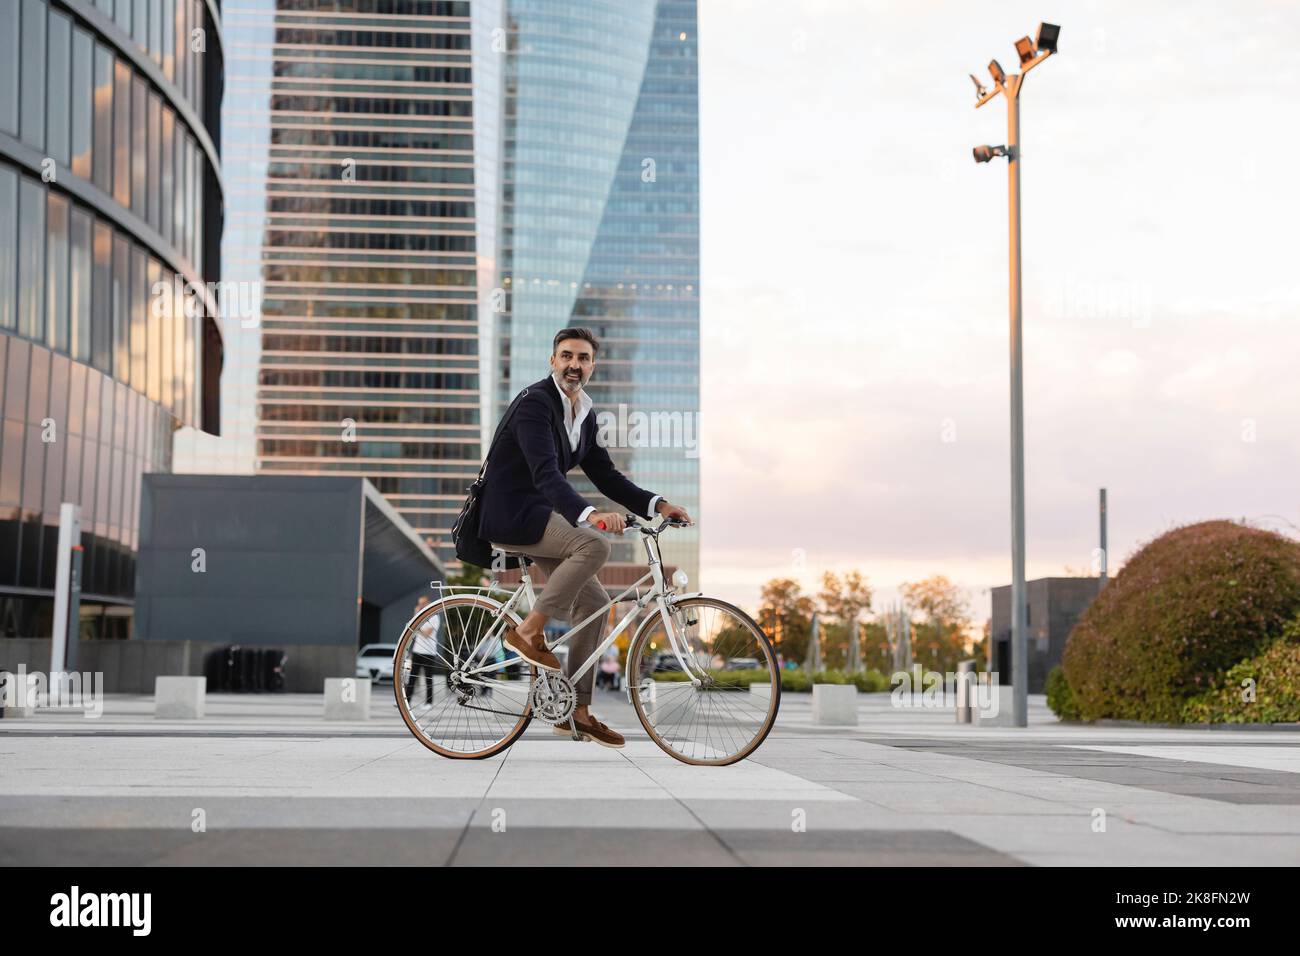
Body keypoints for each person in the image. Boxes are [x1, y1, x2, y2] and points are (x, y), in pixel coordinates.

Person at [479, 327, 692, 747]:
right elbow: (545, 474)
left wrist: (659, 504)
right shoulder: (535, 403)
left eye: (583, 358)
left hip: (540, 515)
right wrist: (591, 516)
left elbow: (607, 475)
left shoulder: (584, 414)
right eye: (566, 356)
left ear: (593, 365)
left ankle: (576, 712)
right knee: (593, 544)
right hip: (510, 513)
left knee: (595, 603)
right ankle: (526, 632)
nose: (574, 364)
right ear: (552, 361)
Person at [405, 594, 441, 705]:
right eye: (419, 603)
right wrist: (416, 615)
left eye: (422, 603)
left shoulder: (434, 617)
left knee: (428, 678)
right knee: (412, 678)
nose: (420, 605)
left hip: (429, 652)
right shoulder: (419, 617)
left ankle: (429, 702)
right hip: (417, 651)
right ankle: (407, 702)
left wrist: (416, 629)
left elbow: (426, 634)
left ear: (428, 603)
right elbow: (413, 628)